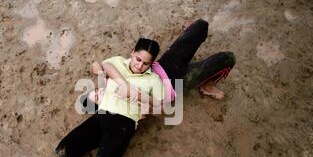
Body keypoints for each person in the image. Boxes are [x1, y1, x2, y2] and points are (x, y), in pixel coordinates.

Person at [54, 38, 164, 157]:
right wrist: (100, 85)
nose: (139, 66)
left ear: (151, 64)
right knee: (62, 152)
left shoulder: (153, 80)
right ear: (132, 52)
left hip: (124, 124)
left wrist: (140, 97)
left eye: (146, 64)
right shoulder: (117, 62)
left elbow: (159, 109)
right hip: (102, 115)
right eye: (138, 59)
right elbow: (99, 66)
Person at [84, 19, 236, 113]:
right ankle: (207, 86)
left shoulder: (110, 76)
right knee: (228, 58)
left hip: (165, 64)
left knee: (201, 25)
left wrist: (98, 71)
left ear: (132, 52)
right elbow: (158, 108)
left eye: (96, 91)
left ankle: (182, 52)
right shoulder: (120, 105)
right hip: (177, 83)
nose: (138, 66)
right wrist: (148, 109)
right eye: (98, 98)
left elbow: (96, 65)